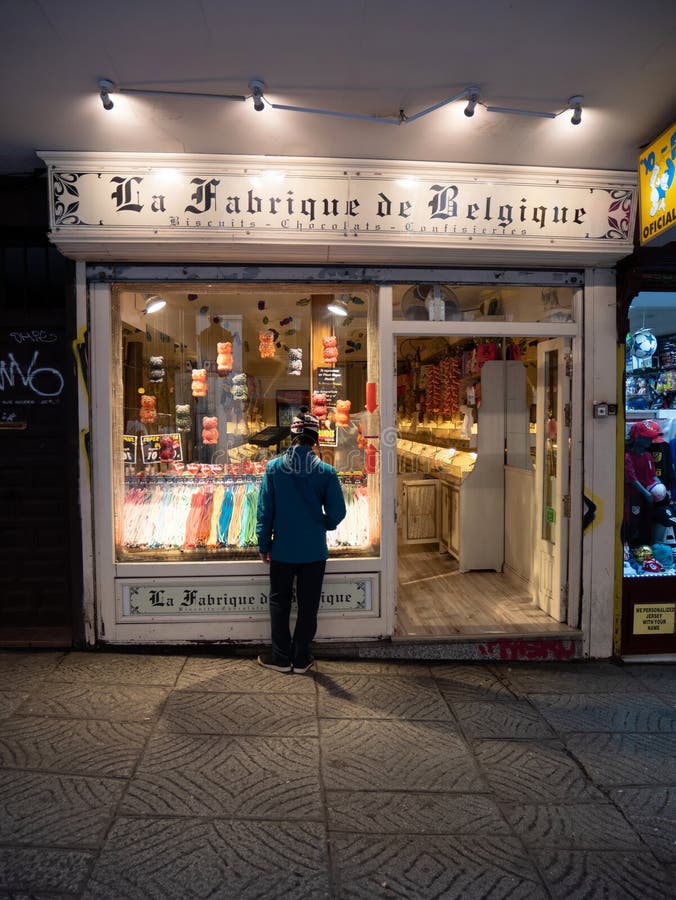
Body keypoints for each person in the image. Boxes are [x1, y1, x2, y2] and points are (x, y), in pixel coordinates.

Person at [256, 410, 346, 673]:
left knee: (279, 601)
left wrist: (264, 545)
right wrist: (324, 524)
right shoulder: (326, 472)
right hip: (314, 551)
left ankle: (281, 657)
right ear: (315, 439)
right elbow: (338, 512)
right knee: (308, 605)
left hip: (282, 549)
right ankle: (302, 658)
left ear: (292, 436)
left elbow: (265, 512)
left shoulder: (274, 468)